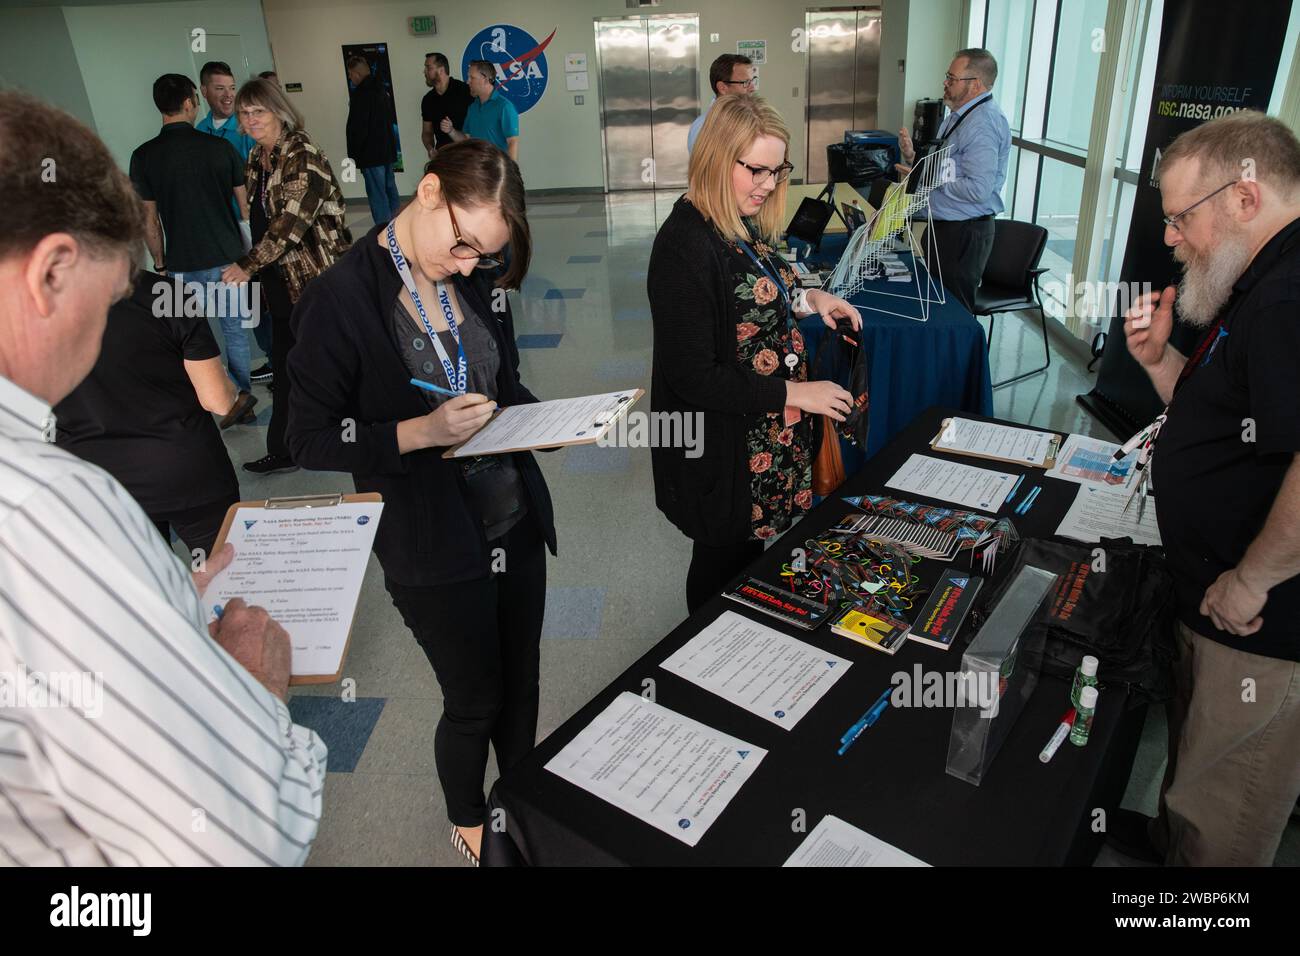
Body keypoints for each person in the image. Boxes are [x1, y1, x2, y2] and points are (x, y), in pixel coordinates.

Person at [0, 90, 326, 866]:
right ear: (51, 274)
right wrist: (253, 688)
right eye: (109, 296)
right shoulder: (51, 508)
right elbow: (238, 835)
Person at [285, 139, 554, 866]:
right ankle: (468, 814)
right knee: (475, 698)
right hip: (433, 544)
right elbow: (305, 437)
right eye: (464, 246)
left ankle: (518, 795)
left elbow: (502, 382)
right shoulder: (341, 299)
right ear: (429, 191)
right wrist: (419, 433)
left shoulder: (474, 277)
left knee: (521, 682)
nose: (470, 266)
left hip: (513, 518)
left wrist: (549, 422)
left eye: (484, 256)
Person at [1113, 110, 1300, 866]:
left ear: (1244, 198)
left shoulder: (1289, 299)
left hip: (1256, 619)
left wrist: (1253, 581)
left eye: (1181, 217)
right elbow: (1227, 429)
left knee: (1224, 811)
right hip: (1210, 589)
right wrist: (1161, 361)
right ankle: (1167, 847)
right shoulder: (1256, 279)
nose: (1170, 238)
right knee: (1194, 774)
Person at [649, 95, 862, 614]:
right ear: (718, 159)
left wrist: (812, 299)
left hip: (759, 440)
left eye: (777, 169)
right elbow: (695, 377)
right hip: (723, 452)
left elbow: (766, 283)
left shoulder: (735, 220)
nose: (768, 184)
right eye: (756, 170)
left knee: (747, 558)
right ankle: (704, 655)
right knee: (721, 563)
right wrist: (796, 393)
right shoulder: (683, 248)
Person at [54, 270, 246, 559]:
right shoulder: (165, 293)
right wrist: (231, 387)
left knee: (147, 596)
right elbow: (218, 401)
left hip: (100, 485)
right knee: (226, 583)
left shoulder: (24, 311)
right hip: (187, 471)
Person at [222, 78, 351, 476]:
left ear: (278, 110)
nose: (250, 119)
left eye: (257, 111)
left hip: (317, 280)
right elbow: (259, 221)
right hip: (282, 282)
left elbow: (291, 224)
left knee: (335, 363)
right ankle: (287, 448)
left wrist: (247, 265)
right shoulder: (256, 159)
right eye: (244, 113)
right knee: (287, 367)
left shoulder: (302, 155)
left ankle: (361, 437)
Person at [130, 73, 256, 414]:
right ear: (189, 103)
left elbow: (149, 220)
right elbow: (245, 208)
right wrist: (251, 256)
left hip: (180, 264)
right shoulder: (220, 148)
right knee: (236, 332)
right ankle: (239, 399)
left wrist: (160, 264)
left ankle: (205, 401)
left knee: (186, 338)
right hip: (230, 257)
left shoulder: (143, 156)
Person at [896, 48, 1010, 312]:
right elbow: (947, 168)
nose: (945, 83)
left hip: (964, 234)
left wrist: (927, 180)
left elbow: (979, 189)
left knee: (953, 313)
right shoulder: (958, 116)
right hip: (946, 228)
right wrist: (915, 158)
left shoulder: (983, 124)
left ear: (976, 84)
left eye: (952, 78)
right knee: (937, 306)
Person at [197, 59, 271, 377]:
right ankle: (271, 354)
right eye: (220, 89)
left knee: (263, 289)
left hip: (248, 225)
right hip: (219, 230)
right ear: (203, 92)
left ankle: (276, 355)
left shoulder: (244, 131)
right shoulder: (198, 133)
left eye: (231, 88)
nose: (228, 95)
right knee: (246, 299)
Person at [345, 54, 401, 225]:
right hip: (387, 151)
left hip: (370, 154)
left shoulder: (360, 95)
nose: (350, 78)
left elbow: (358, 128)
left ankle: (385, 233)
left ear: (356, 74)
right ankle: (399, 226)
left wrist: (355, 153)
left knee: (377, 194)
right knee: (390, 189)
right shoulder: (382, 91)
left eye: (350, 74)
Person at [442, 60, 518, 162]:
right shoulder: (472, 107)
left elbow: (512, 142)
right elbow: (467, 140)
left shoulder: (504, 107)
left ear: (485, 79)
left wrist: (510, 173)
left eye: (472, 77)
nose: (467, 81)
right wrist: (451, 131)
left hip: (497, 171)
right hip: (476, 170)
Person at [687, 54, 755, 153]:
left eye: (752, 81)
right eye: (746, 82)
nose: (752, 88)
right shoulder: (703, 127)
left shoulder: (747, 119)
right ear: (722, 88)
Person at [421, 52, 472, 159]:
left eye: (428, 68)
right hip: (443, 157)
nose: (424, 72)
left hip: (468, 156)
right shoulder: (428, 99)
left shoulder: (465, 91)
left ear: (441, 70)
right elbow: (427, 132)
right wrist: (430, 148)